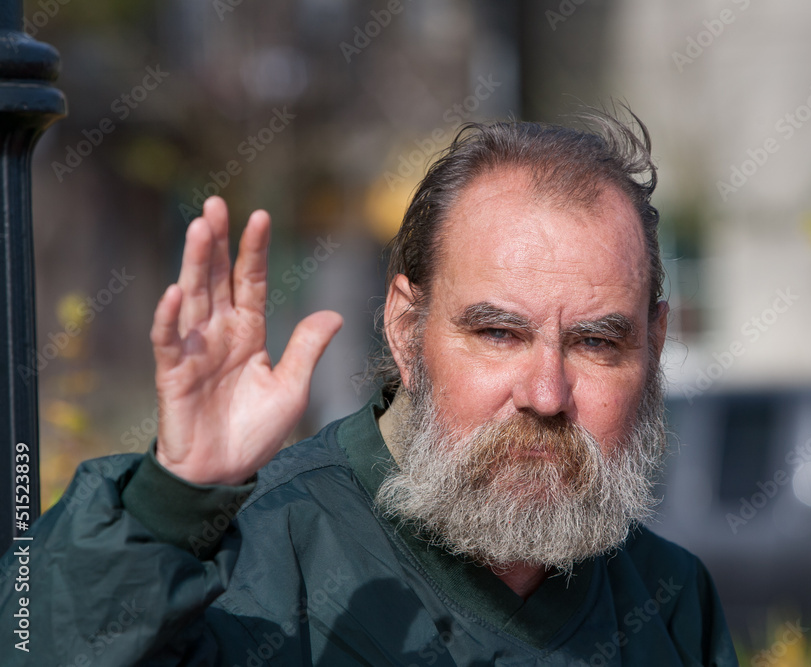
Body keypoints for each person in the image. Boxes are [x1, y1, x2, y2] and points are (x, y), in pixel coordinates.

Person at [0, 113, 738, 665]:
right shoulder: (251, 559)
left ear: (655, 346)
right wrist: (173, 498)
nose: (547, 394)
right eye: (498, 334)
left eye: (597, 343)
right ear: (406, 330)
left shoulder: (668, 601)